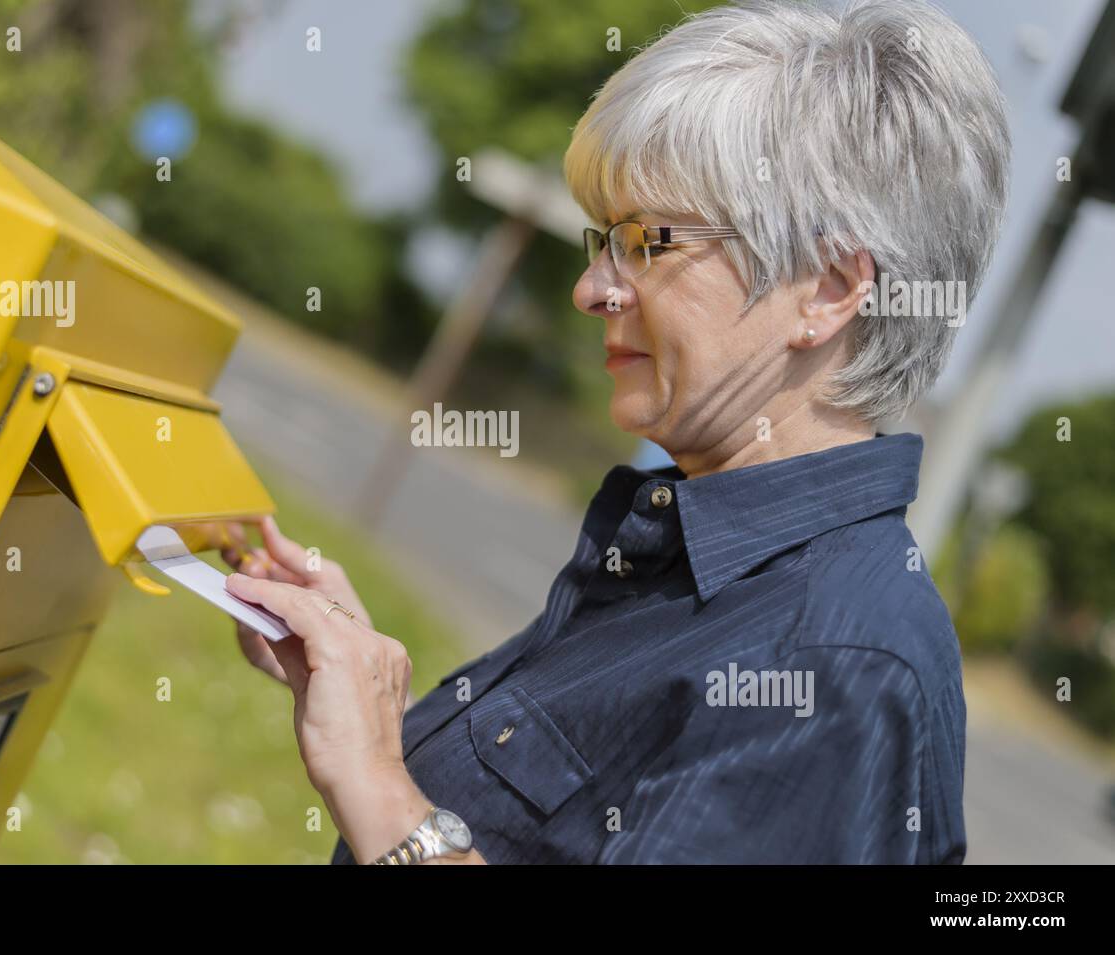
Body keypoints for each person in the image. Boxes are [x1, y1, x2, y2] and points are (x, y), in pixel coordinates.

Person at [222, 0, 1010, 864]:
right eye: (604, 241)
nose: (592, 289)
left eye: (646, 242)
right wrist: (365, 684)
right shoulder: (703, 560)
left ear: (824, 289)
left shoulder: (830, 667)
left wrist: (374, 780)